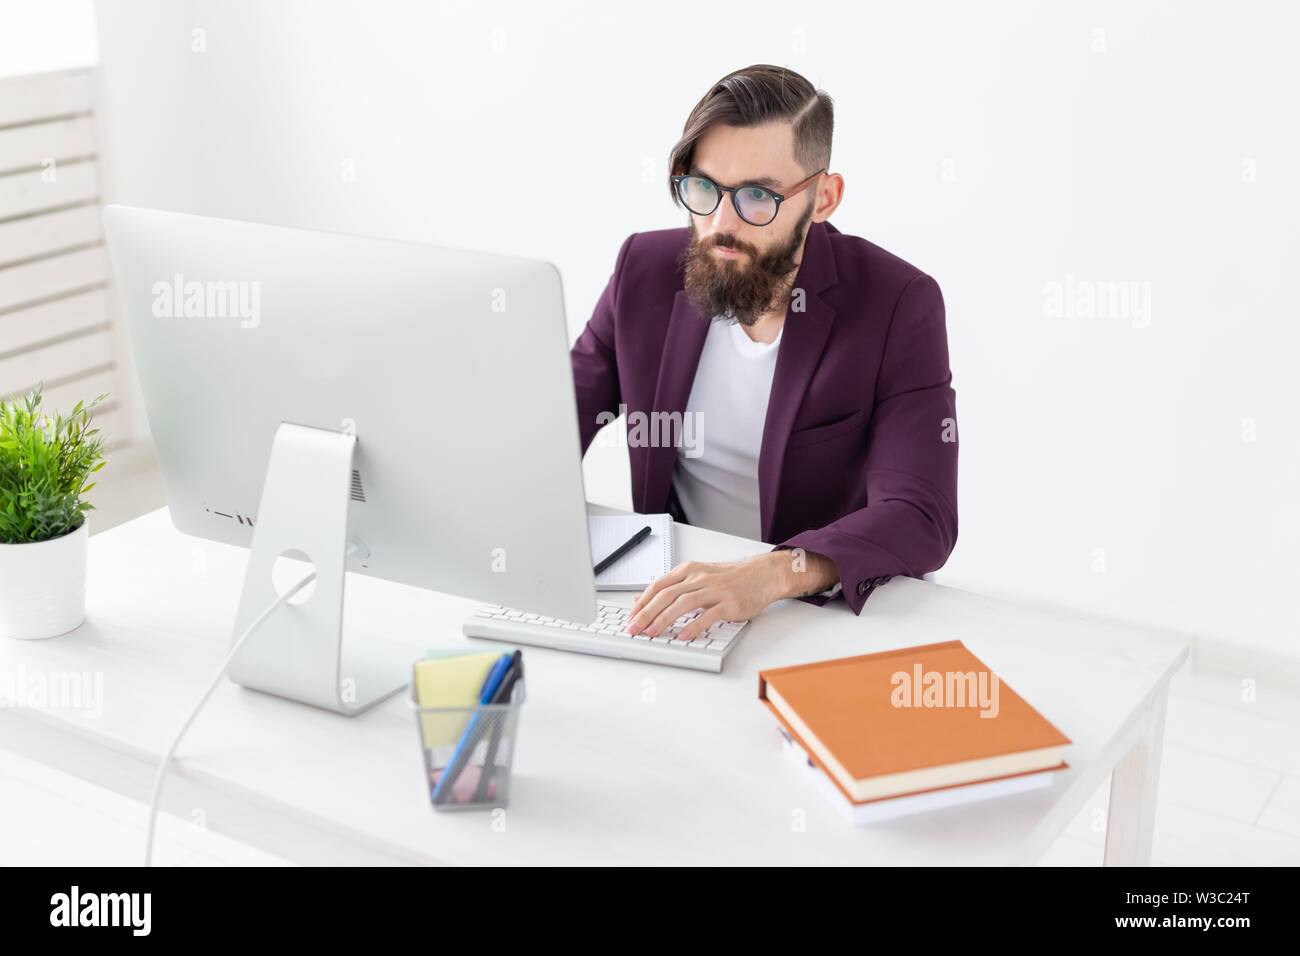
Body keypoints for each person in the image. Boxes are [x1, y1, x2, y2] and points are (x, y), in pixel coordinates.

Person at [570, 64, 958, 643]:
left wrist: (774, 573)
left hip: (810, 614)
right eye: (703, 188)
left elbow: (922, 515)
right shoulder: (644, 270)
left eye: (757, 196)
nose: (720, 225)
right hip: (671, 605)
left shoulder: (898, 303)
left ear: (823, 197)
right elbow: (552, 424)